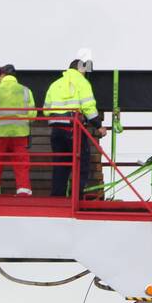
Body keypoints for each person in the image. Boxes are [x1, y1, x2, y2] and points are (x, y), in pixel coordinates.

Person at [44, 58, 107, 198]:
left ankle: (57, 196)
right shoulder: (82, 82)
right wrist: (99, 126)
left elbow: (46, 110)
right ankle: (76, 196)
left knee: (60, 164)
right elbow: (88, 107)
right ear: (80, 69)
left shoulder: (55, 84)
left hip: (57, 129)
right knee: (81, 163)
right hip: (74, 130)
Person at [0, 64, 36, 195]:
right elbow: (32, 115)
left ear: (2, 75)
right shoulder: (25, 91)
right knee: (21, 162)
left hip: (0, 134)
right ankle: (23, 189)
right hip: (20, 134)